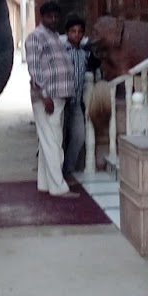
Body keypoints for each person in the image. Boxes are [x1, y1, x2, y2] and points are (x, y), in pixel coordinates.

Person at [25, 1, 77, 198]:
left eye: (56, 16)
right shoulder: (35, 38)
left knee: (49, 140)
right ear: (42, 17)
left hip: (58, 96)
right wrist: (45, 96)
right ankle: (59, 187)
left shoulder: (55, 37)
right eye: (50, 16)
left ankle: (45, 184)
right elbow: (34, 68)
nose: (53, 20)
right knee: (53, 141)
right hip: (48, 97)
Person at [61, 15, 92, 179]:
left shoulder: (83, 52)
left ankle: (68, 169)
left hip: (76, 102)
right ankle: (54, 172)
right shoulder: (61, 51)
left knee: (79, 136)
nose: (77, 35)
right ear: (67, 33)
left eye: (80, 31)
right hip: (61, 100)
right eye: (73, 31)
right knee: (59, 137)